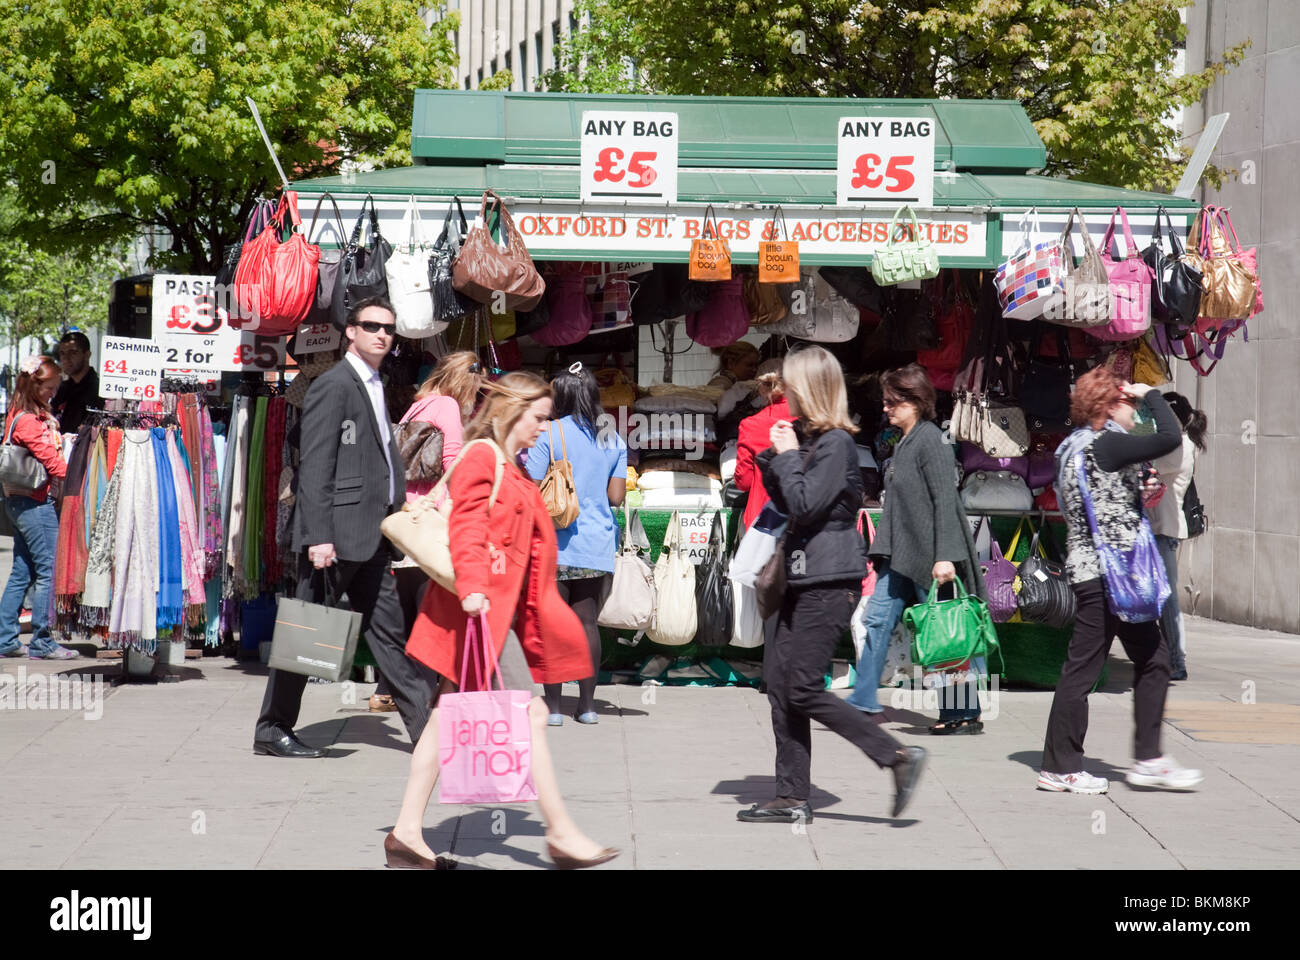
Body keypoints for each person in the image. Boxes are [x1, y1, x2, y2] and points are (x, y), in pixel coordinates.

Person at [391, 372, 620, 870]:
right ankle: (560, 833)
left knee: (441, 720)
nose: (544, 427)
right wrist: (473, 588)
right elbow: (467, 526)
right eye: (539, 417)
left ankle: (406, 833)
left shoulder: (509, 464)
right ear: (512, 411)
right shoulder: (482, 457)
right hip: (480, 613)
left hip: (494, 613)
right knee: (531, 713)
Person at [739, 346, 926, 825]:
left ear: (810, 388)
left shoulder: (838, 443)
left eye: (791, 384)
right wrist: (775, 458)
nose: (784, 393)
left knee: (800, 687)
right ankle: (790, 795)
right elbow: (790, 501)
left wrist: (783, 458)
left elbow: (805, 506)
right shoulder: (816, 440)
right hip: (799, 577)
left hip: (828, 579)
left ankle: (895, 755)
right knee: (780, 687)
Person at [253, 296, 435, 758]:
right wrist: (318, 536)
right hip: (335, 534)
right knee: (307, 633)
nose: (381, 334)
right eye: (371, 326)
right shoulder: (335, 385)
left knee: (390, 634)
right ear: (350, 331)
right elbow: (314, 465)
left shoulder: (374, 382)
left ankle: (428, 732)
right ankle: (273, 728)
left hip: (373, 533)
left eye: (389, 328)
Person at [1038, 368, 1202, 794]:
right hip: (1109, 576)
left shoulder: (1070, 447)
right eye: (1128, 403)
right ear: (1109, 405)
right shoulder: (1106, 442)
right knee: (1084, 668)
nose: (1136, 411)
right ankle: (1061, 765)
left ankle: (1148, 758)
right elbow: (1170, 438)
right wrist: (1152, 393)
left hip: (1098, 573)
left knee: (1154, 658)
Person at [845, 364, 986, 733]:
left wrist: (945, 557)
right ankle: (862, 700)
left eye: (894, 402)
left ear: (917, 401)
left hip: (930, 556)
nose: (886, 408)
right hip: (900, 556)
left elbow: (944, 501)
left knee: (944, 632)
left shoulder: (930, 441)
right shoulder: (906, 441)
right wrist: (882, 553)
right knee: (875, 619)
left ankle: (962, 714)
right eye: (886, 401)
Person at [378, 351, 483, 713]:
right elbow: (452, 461)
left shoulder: (417, 405)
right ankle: (425, 696)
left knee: (405, 611)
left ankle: (387, 689)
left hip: (405, 516)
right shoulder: (448, 408)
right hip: (428, 516)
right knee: (431, 614)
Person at [525, 362, 627, 726]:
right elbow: (615, 496)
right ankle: (586, 707)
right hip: (596, 543)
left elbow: (530, 487)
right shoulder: (613, 439)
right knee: (586, 623)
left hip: (554, 544)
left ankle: (553, 708)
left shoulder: (548, 434)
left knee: (551, 624)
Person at [0, 356, 77, 660]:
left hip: (18, 502)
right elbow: (51, 461)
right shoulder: (30, 421)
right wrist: (78, 477)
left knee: (23, 571)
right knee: (48, 571)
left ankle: (6, 639)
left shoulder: (18, 413)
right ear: (34, 384)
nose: (52, 393)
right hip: (34, 503)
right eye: (49, 387)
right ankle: (43, 642)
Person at [1150, 392, 1206, 682]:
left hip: (1166, 530)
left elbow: (1148, 464)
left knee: (1168, 598)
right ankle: (1163, 657)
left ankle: (1176, 661)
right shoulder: (1177, 443)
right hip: (1160, 529)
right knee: (1157, 598)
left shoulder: (1181, 446)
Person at [732, 359, 789, 531]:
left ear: (761, 387)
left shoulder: (751, 425)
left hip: (764, 520)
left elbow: (744, 482)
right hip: (808, 517)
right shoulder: (813, 421)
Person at [52, 332, 98, 434]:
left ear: (87, 355)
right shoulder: (63, 388)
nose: (66, 358)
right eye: (62, 353)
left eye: (73, 352)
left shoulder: (97, 389)